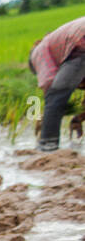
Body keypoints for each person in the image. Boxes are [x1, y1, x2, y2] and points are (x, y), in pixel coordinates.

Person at [29, 15, 85, 152]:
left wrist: (46, 115)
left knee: (55, 97)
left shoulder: (39, 51)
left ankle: (47, 146)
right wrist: (79, 117)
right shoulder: (58, 44)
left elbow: (50, 85)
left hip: (82, 40)